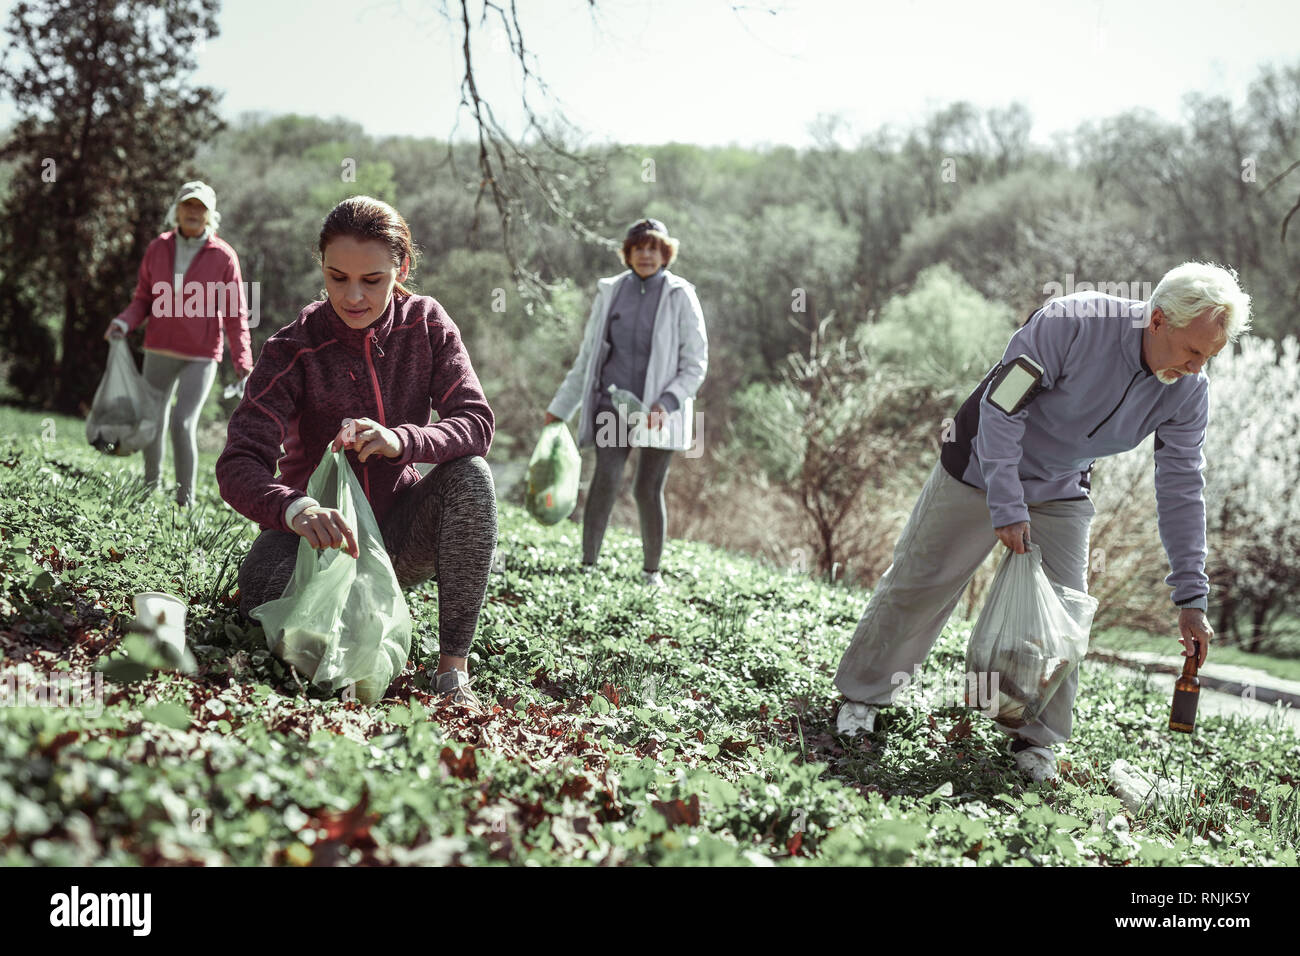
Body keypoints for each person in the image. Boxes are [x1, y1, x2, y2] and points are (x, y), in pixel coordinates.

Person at [832, 262, 1252, 782]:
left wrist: (1191, 597)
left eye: (1209, 357)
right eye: (1194, 351)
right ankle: (861, 698)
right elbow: (1002, 407)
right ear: (1159, 319)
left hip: (1061, 487)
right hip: (979, 466)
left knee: (1063, 615)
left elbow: (1183, 488)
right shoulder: (1070, 322)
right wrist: (1006, 503)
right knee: (921, 584)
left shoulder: (1188, 391)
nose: (1196, 368)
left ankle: (1034, 741)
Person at [215, 196, 498, 711]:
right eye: (336, 276)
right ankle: (351, 620)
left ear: (401, 268)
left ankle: (452, 671)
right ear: (321, 266)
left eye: (372, 280)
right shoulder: (293, 348)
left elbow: (476, 423)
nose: (352, 296)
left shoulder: (427, 324)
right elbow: (238, 464)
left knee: (472, 475)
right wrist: (294, 509)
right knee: (270, 609)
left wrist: (403, 440)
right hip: (312, 542)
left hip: (398, 535)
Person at [544, 218, 708, 587]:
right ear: (628, 253)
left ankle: (652, 572)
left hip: (658, 413)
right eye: (638, 248)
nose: (646, 255)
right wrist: (560, 408)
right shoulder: (611, 291)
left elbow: (695, 363)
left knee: (647, 489)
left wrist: (666, 402)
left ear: (665, 253)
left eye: (653, 248)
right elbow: (588, 358)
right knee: (606, 479)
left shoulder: (681, 294)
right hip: (611, 405)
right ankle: (588, 566)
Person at [104, 181, 253, 507]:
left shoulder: (223, 257)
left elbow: (235, 315)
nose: (193, 212)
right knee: (151, 421)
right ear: (177, 209)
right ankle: (149, 489)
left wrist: (243, 363)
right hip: (158, 349)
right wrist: (123, 322)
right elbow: (143, 298)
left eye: (200, 208)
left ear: (211, 215)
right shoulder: (158, 247)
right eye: (188, 205)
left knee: (182, 422)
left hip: (200, 356)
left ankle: (184, 502)